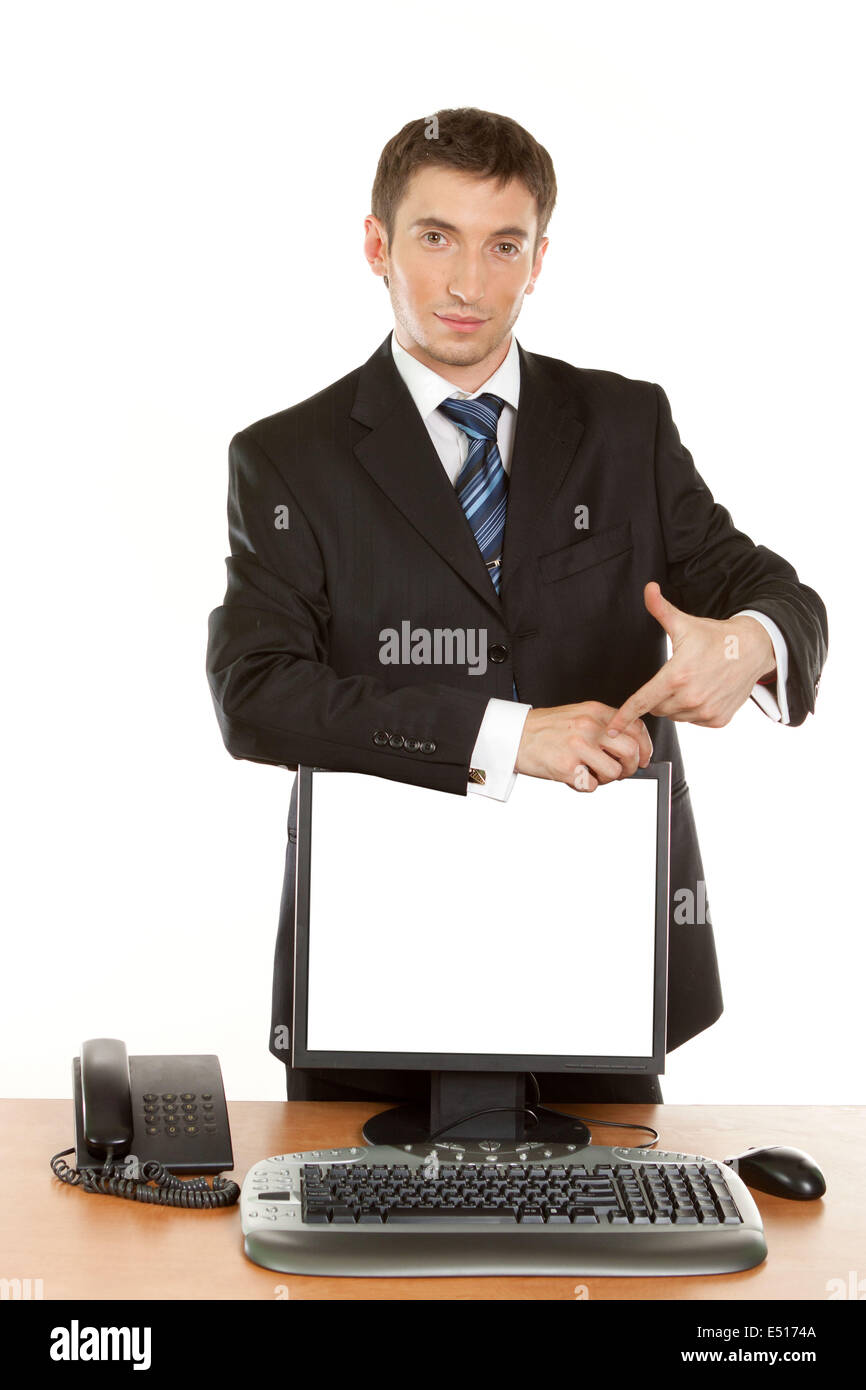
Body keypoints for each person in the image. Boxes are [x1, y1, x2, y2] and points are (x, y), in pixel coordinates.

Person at [206, 107, 827, 1107]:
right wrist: (506, 736)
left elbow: (774, 594)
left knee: (616, 1250)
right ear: (376, 244)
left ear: (539, 259)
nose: (467, 283)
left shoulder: (625, 424)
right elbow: (257, 694)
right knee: (350, 1260)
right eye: (434, 237)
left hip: (602, 953)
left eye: (504, 245)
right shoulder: (286, 458)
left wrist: (748, 644)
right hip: (378, 954)